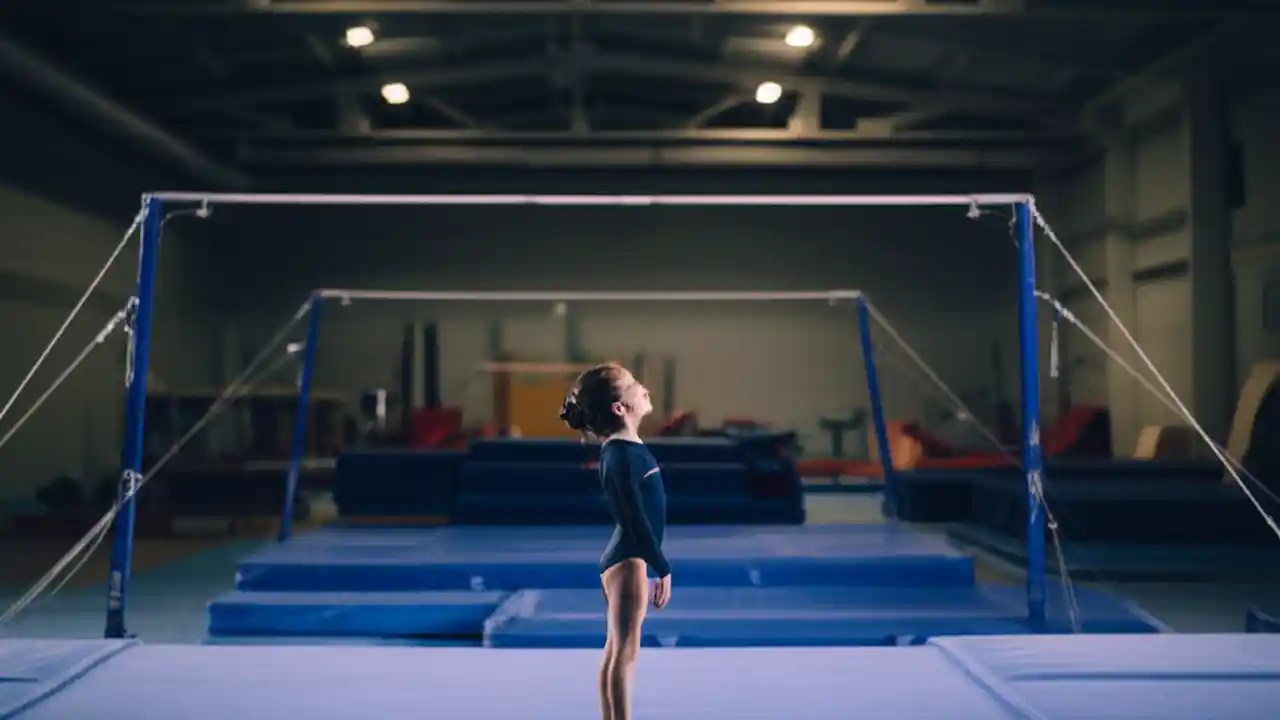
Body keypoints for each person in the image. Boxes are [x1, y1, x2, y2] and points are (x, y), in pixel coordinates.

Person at [559, 363, 671, 720]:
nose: (644, 389)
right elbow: (633, 517)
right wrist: (662, 566)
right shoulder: (620, 454)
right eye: (635, 386)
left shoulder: (626, 449)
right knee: (625, 653)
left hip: (628, 557)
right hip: (629, 559)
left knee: (616, 649)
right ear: (619, 409)